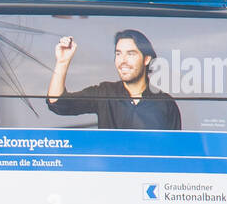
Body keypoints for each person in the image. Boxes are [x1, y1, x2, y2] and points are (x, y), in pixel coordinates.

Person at [47, 29, 182, 130]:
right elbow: (58, 103)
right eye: (118, 54)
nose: (122, 61)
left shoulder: (165, 104)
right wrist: (62, 62)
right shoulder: (105, 92)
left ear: (146, 59)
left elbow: (175, 154)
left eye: (131, 54)